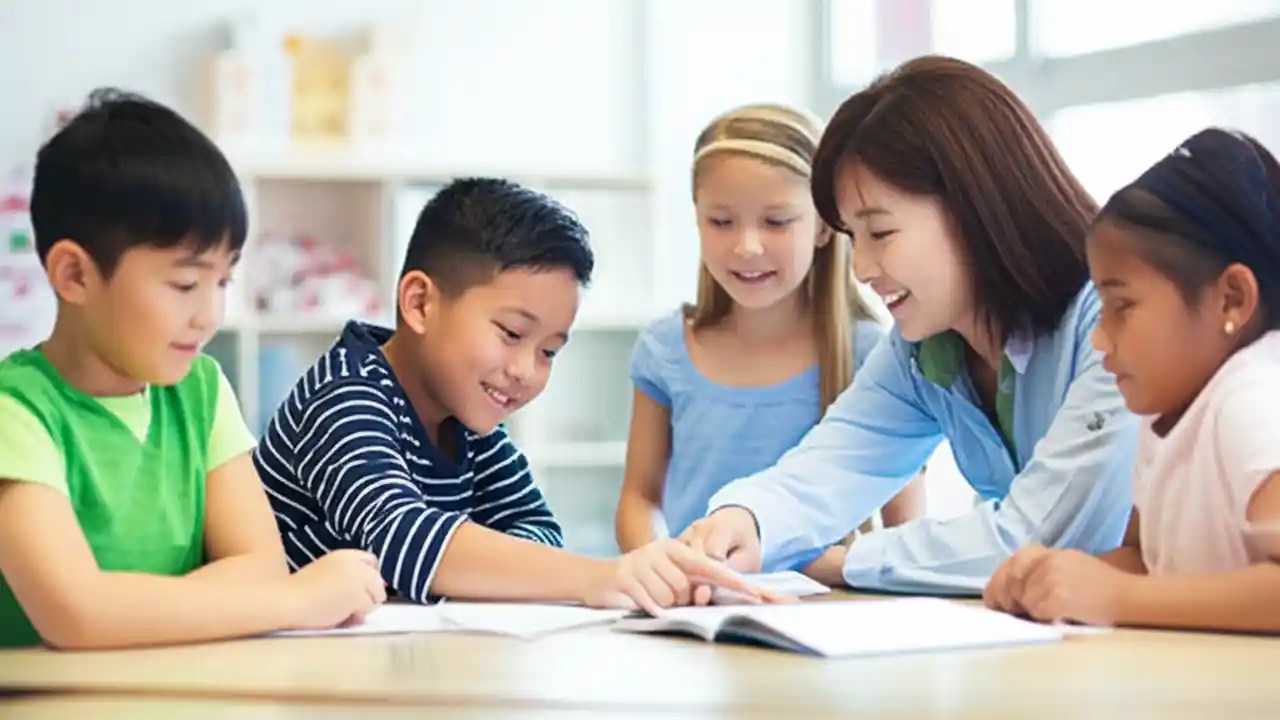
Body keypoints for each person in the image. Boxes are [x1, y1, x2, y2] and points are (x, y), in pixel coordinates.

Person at [680, 56, 1138, 594]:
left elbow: (1040, 539)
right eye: (852, 237)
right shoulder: (924, 348)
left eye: (880, 233)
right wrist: (743, 522)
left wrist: (843, 562)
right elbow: (834, 461)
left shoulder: (1111, 324)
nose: (862, 268)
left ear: (974, 208)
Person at [255, 178, 769, 615]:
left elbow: (538, 529)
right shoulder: (345, 396)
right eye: (511, 333)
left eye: (548, 351)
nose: (526, 371)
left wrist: (477, 567)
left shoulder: (467, 418)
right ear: (420, 303)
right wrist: (597, 577)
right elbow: (405, 536)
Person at [0, 89, 385, 649]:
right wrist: (300, 600)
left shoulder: (200, 390)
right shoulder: (16, 412)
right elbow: (76, 613)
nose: (209, 315)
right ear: (75, 275)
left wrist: (126, 611)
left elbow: (260, 564)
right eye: (184, 284)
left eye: (222, 282)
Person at [985, 129, 1280, 632]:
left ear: (1231, 299)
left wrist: (1117, 597)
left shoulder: (1253, 399)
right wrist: (1049, 580)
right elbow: (1149, 561)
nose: (1099, 339)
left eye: (1122, 306)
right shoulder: (1168, 407)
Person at [616, 103, 923, 563]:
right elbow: (639, 498)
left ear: (825, 227)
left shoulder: (874, 355)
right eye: (721, 222)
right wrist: (664, 563)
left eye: (776, 222)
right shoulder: (665, 348)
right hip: (697, 597)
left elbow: (906, 530)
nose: (747, 246)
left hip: (830, 600)